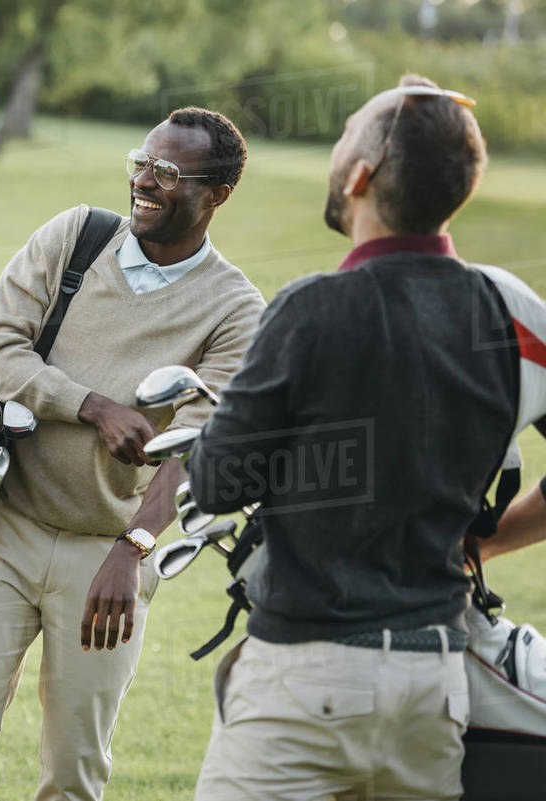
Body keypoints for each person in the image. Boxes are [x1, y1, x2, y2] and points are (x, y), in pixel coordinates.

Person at [0, 107, 266, 801]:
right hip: (7, 527)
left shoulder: (236, 308)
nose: (145, 182)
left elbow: (197, 445)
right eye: (141, 163)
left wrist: (134, 548)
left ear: (216, 194)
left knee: (73, 766)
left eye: (167, 172)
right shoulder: (76, 237)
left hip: (110, 554)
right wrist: (92, 406)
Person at [188, 75, 518, 801]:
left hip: (308, 678)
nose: (336, 151)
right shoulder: (498, 313)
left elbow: (217, 480)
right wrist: (488, 539)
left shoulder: (311, 308)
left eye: (343, 136)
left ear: (361, 175)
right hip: (435, 685)